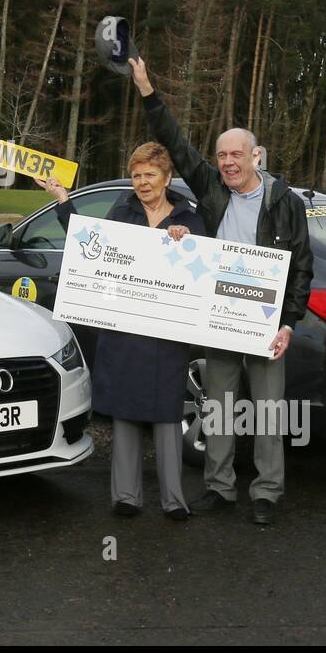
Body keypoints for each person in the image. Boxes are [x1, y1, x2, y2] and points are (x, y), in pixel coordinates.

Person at [127, 57, 313, 526]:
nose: (228, 162)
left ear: (256, 157)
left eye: (237, 155)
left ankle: (267, 492)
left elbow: (302, 268)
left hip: (266, 322)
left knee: (268, 411)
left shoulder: (285, 203)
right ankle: (220, 487)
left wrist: (289, 322)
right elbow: (174, 141)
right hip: (219, 315)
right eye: (222, 155)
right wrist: (148, 89)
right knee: (221, 406)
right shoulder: (212, 189)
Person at [37, 142, 205, 521]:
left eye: (149, 175)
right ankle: (125, 497)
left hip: (166, 336)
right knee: (125, 414)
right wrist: (63, 200)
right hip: (124, 331)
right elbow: (88, 243)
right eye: (136, 175)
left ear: (167, 178)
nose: (142, 183)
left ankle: (174, 500)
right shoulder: (122, 210)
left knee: (166, 415)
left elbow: (204, 266)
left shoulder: (189, 218)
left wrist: (188, 241)